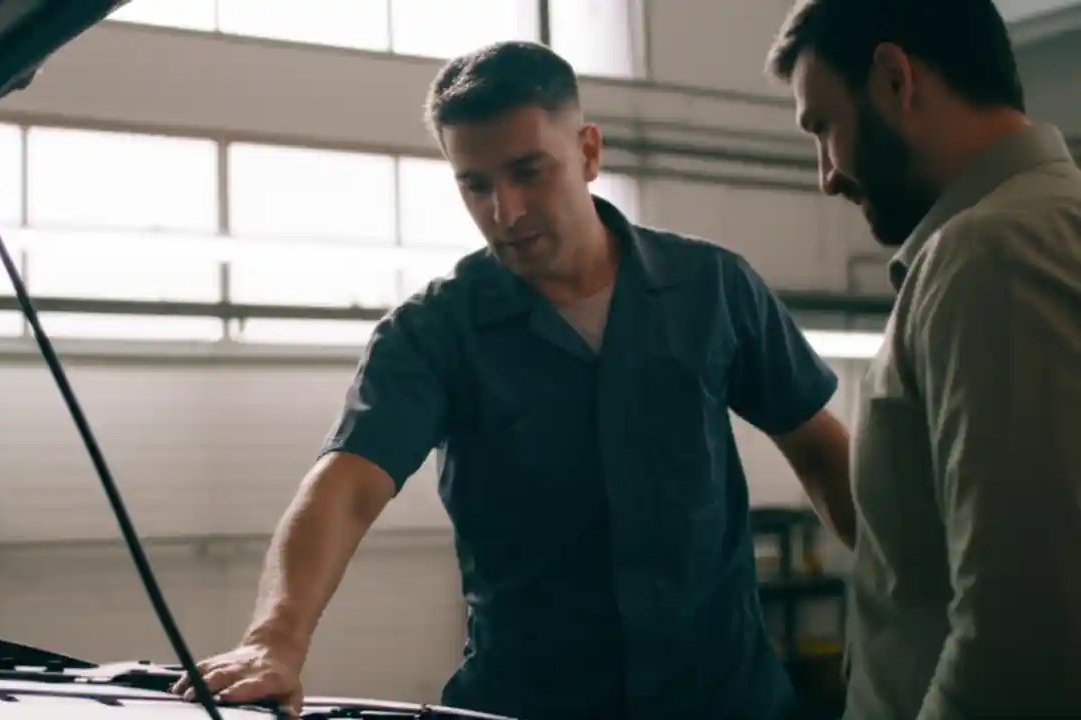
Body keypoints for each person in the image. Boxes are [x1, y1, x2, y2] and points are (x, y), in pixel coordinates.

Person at [173, 41, 854, 719]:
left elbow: (821, 448)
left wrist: (916, 589)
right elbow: (346, 487)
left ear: (588, 152)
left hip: (722, 702)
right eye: (476, 184)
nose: (507, 211)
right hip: (529, 706)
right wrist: (274, 642)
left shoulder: (712, 289)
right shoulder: (434, 331)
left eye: (530, 172)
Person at [765, 1, 1081, 718]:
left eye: (824, 128)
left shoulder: (995, 254)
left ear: (894, 78)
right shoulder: (1035, 225)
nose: (826, 174)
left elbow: (1022, 634)